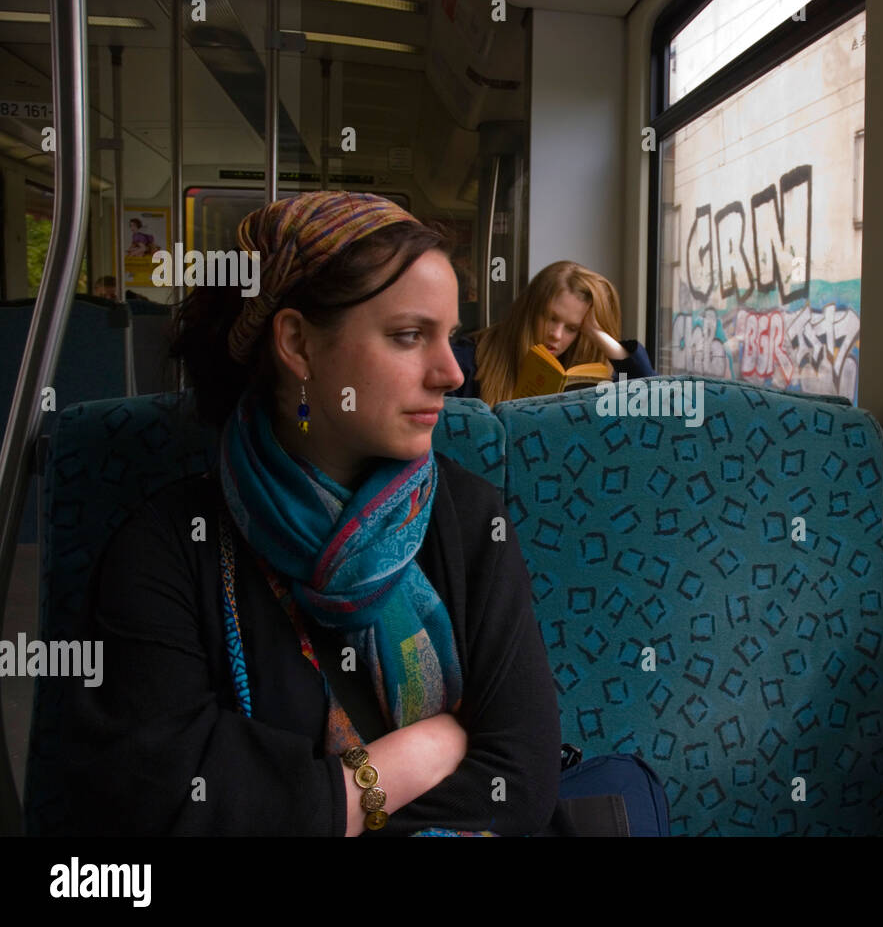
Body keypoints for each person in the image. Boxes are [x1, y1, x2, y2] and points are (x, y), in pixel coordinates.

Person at [59, 191, 562, 836]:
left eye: (451, 339)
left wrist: (304, 801)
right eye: (410, 336)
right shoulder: (171, 547)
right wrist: (411, 758)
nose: (451, 373)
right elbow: (167, 804)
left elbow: (519, 782)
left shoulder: (468, 519)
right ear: (297, 343)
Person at [451, 260, 655, 405]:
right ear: (530, 311)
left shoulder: (584, 376)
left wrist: (597, 333)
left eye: (572, 328)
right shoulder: (469, 360)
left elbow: (654, 399)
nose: (556, 335)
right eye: (551, 318)